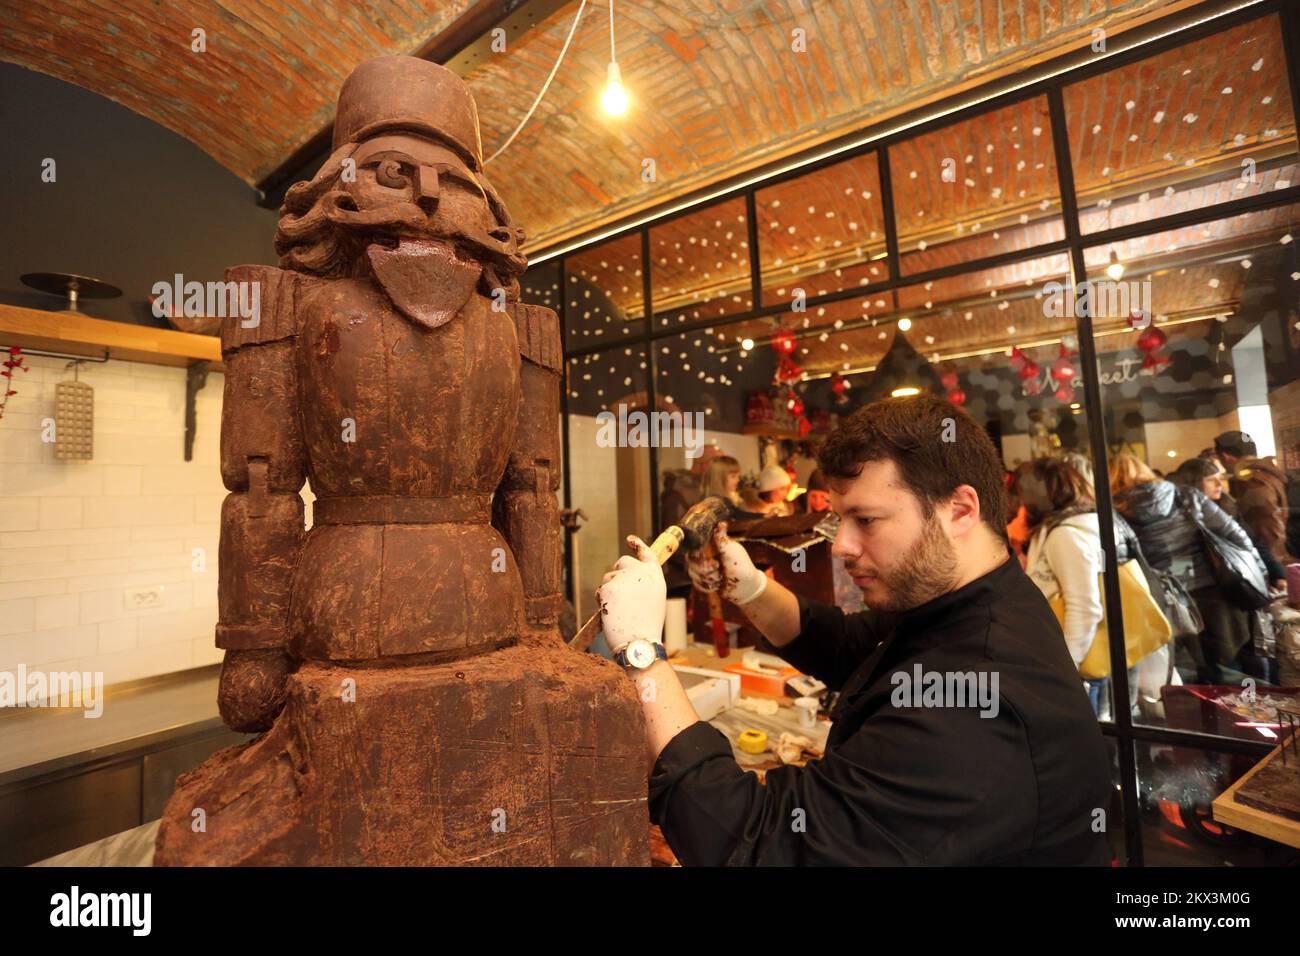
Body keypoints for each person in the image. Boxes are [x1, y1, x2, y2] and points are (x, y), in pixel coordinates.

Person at [596, 395, 1110, 865]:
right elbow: (848, 644)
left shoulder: (978, 698)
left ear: (959, 511)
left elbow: (761, 844)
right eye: (842, 519)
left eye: (866, 519)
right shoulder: (965, 600)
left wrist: (643, 651)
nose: (841, 545)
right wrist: (750, 587)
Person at [1110, 452, 1263, 683]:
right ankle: (1238, 714)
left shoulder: (1115, 511)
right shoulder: (1184, 495)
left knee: (1185, 673)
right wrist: (1258, 575)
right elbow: (1234, 535)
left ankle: (1200, 715)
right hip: (1212, 591)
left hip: (1165, 600)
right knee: (1228, 665)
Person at [1017, 458, 1143, 719]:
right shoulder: (1085, 522)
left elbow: (1084, 606)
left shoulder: (1066, 533)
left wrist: (1067, 667)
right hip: (1090, 654)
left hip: (1078, 660)